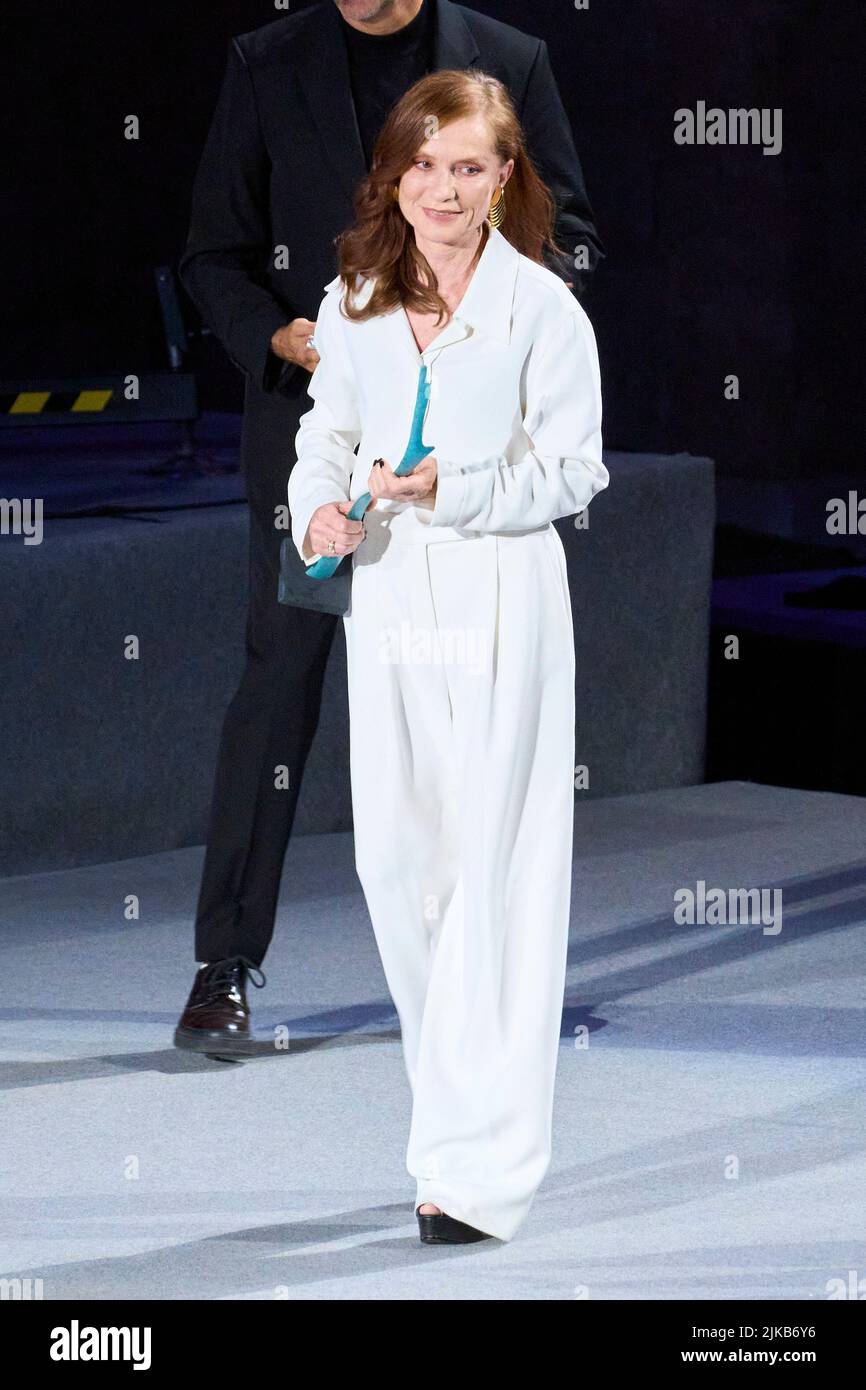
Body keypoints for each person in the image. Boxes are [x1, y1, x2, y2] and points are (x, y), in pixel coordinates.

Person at [175, 0, 604, 1055]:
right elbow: (212, 256)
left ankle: (484, 973)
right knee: (278, 685)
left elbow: (571, 240)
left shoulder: (508, 60)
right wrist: (280, 339)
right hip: (317, 445)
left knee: (475, 723)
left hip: (467, 467)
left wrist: (465, 318)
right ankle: (224, 962)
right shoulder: (265, 62)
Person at [288, 68, 608, 1244]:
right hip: (390, 601)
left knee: (498, 878)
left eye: (468, 166)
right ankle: (446, 1129)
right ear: (395, 172)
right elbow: (322, 436)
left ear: (503, 178)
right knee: (398, 865)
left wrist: (454, 489)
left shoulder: (541, 309)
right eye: (423, 163)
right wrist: (320, 509)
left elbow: (574, 471)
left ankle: (481, 1172)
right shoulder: (355, 297)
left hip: (502, 599)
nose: (442, 187)